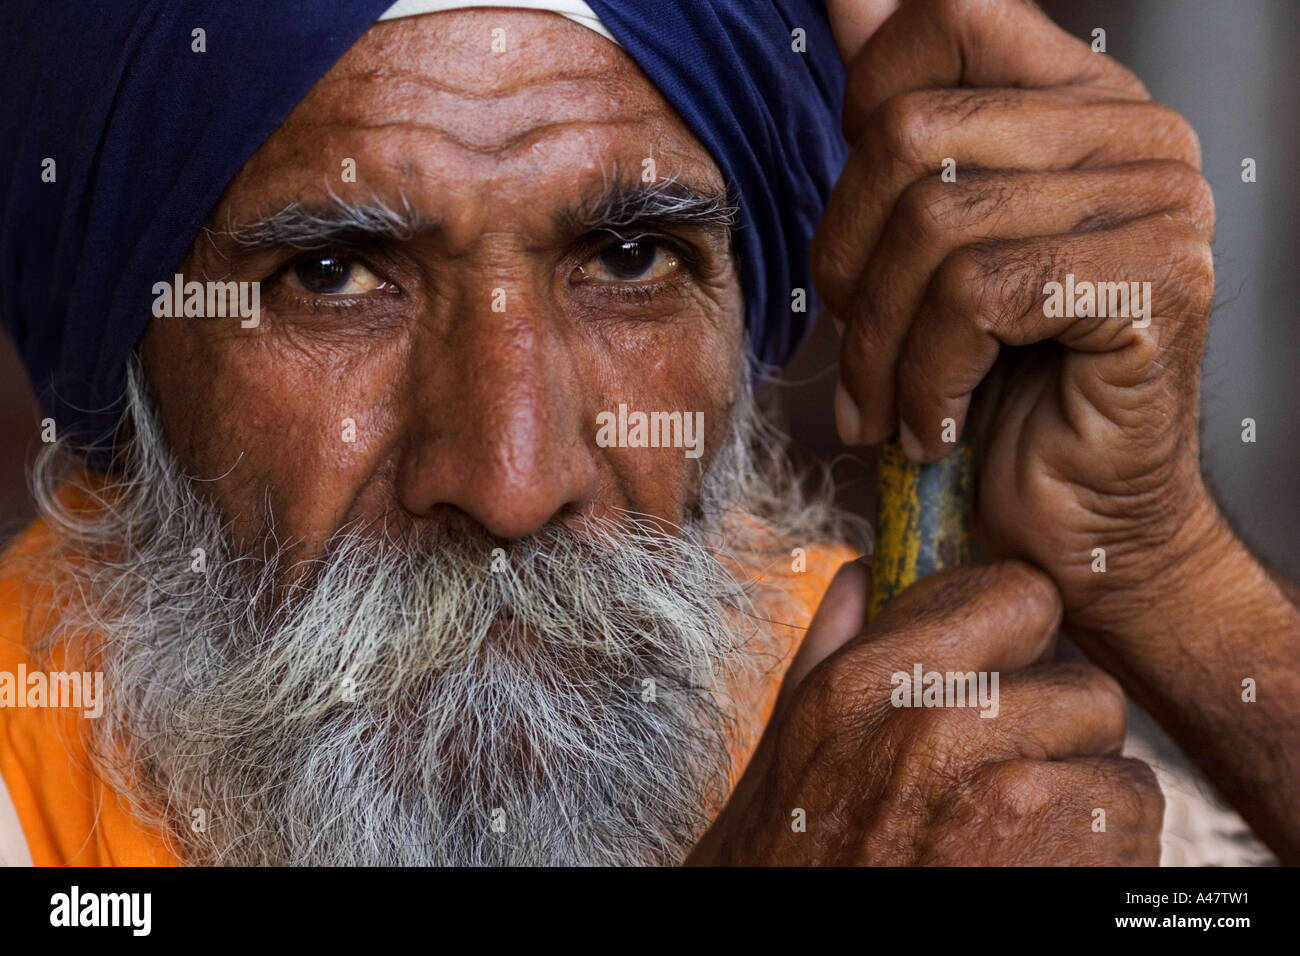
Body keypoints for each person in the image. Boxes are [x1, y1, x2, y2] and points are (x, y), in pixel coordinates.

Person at [0, 0, 1295, 866]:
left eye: (628, 258)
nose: (512, 482)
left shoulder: (889, 728)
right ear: (133, 361)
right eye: (334, 277)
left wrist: (1170, 576)